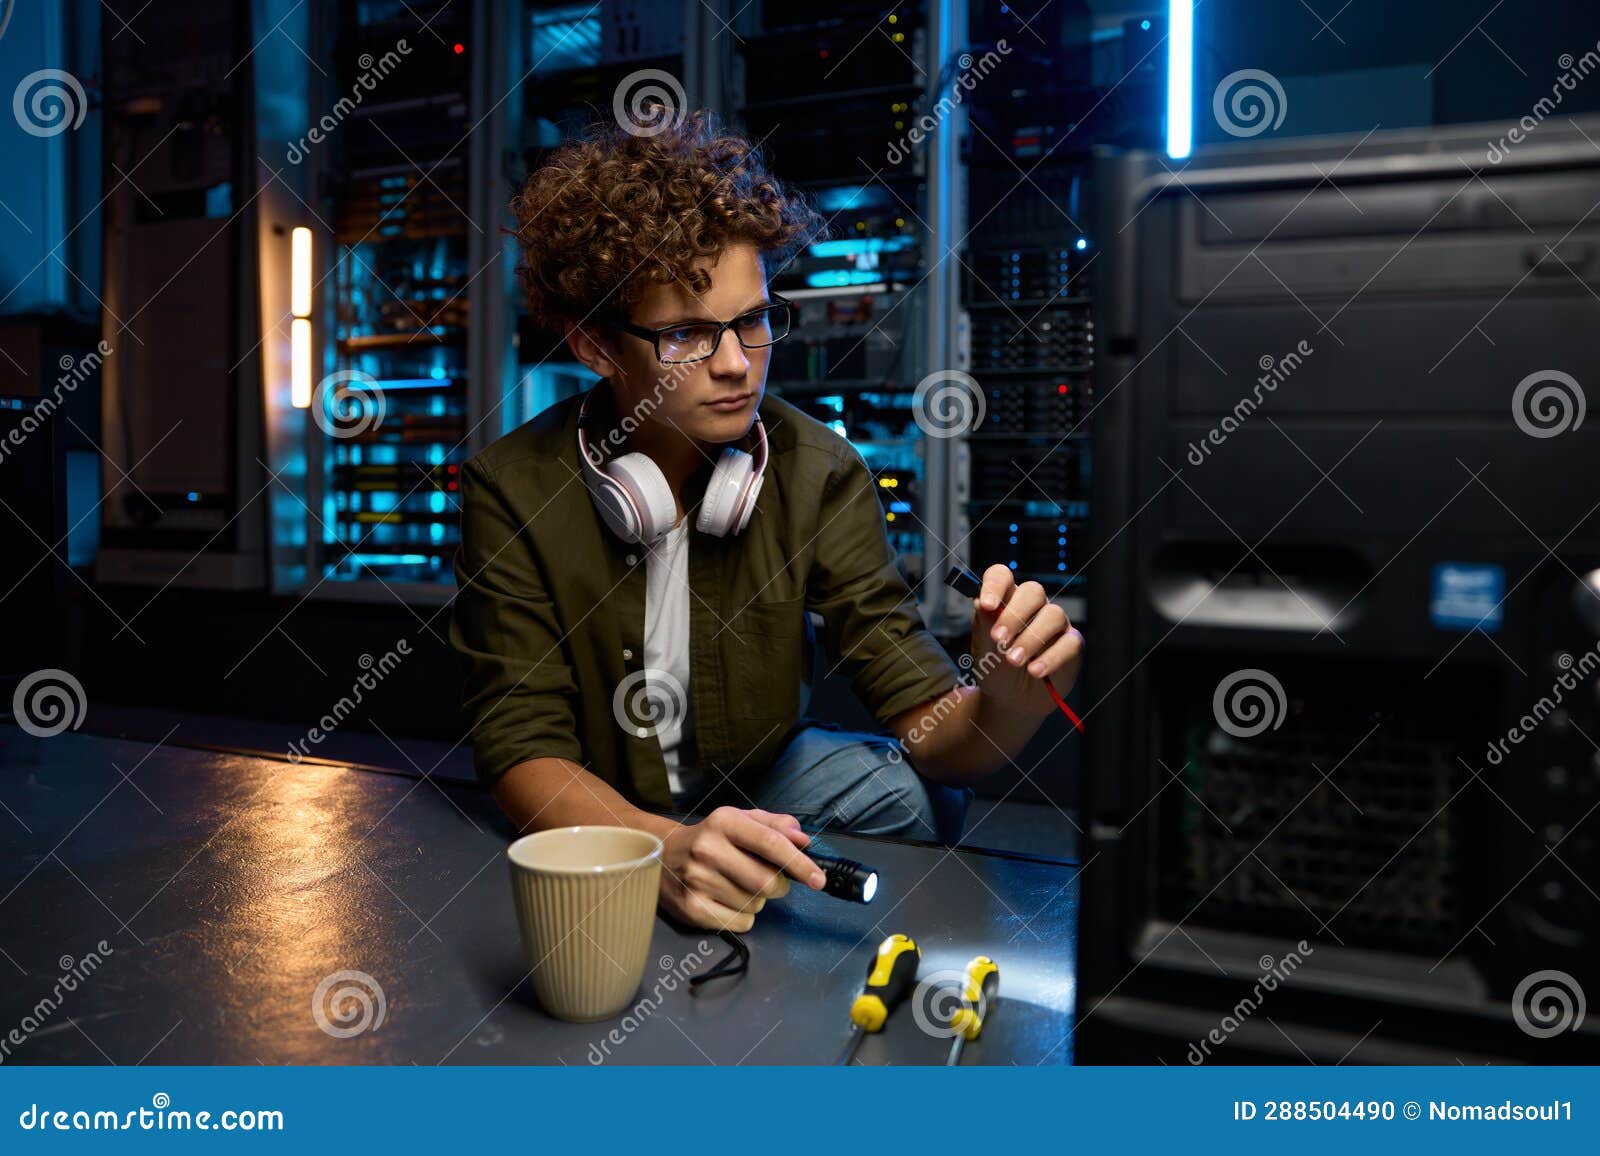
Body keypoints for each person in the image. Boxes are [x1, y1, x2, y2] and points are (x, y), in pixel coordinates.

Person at [449, 107, 1082, 932]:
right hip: (597, 796)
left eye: (752, 320)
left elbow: (933, 732)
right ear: (596, 347)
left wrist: (1008, 702)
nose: (735, 364)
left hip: (765, 785)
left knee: (913, 792)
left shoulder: (820, 471)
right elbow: (520, 747)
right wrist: (658, 850)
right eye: (685, 334)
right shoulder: (513, 485)